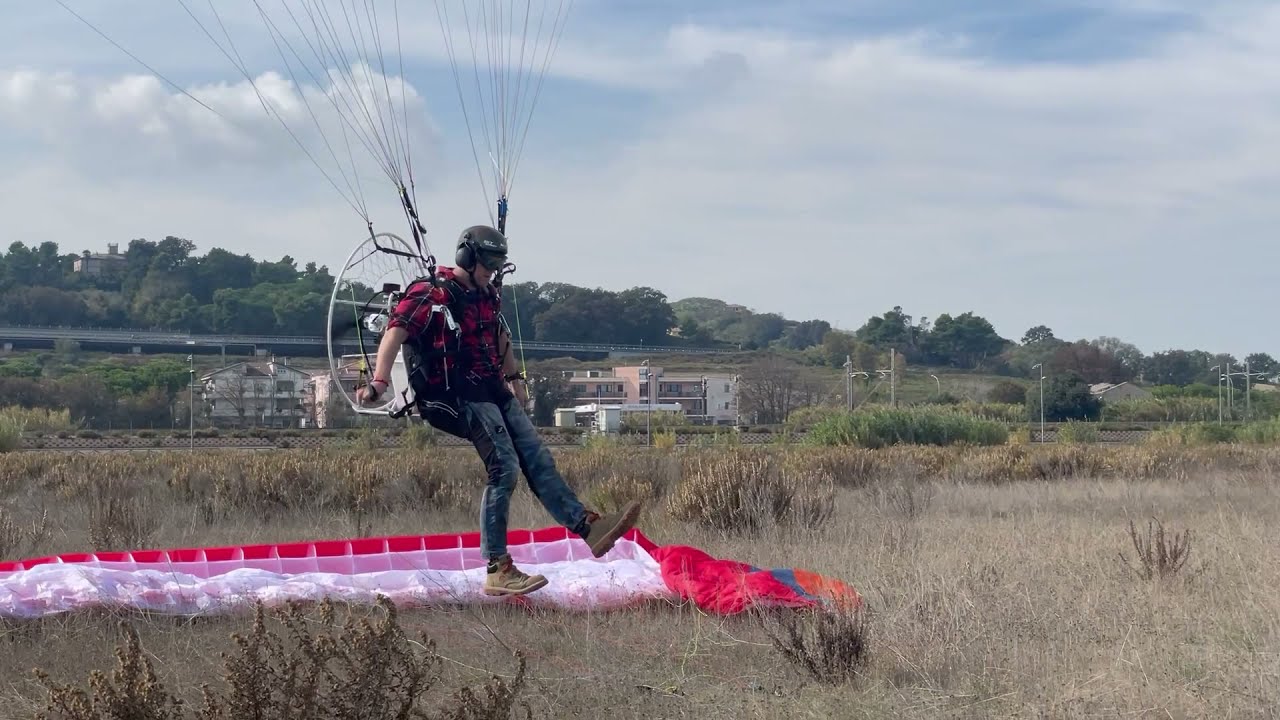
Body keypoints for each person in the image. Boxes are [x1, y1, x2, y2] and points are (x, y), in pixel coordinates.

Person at [359, 224, 642, 597]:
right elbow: (395, 331)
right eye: (487, 263)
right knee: (504, 468)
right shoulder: (431, 293)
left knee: (538, 458)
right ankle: (497, 567)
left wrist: (516, 380)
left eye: (497, 263)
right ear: (467, 257)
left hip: (493, 389)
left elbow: (499, 335)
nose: (492, 270)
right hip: (456, 395)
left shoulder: (487, 294)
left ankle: (588, 528)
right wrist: (379, 382)